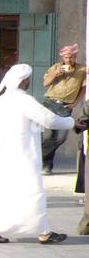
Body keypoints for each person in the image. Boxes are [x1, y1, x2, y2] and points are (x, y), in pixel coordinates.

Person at [0, 63, 74, 245]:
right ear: (23, 81)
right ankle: (43, 232)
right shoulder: (24, 100)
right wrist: (71, 122)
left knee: (0, 192)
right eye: (28, 79)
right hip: (22, 154)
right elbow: (49, 120)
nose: (29, 82)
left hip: (1, 154)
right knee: (32, 190)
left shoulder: (0, 101)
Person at [40, 44, 85, 173]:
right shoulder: (56, 67)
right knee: (48, 136)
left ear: (75, 56)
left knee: (60, 137)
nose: (68, 60)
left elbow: (83, 87)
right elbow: (45, 83)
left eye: (71, 57)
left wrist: (76, 102)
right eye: (66, 57)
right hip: (50, 103)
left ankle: (38, 157)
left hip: (65, 106)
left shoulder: (82, 70)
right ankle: (46, 165)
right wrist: (56, 73)